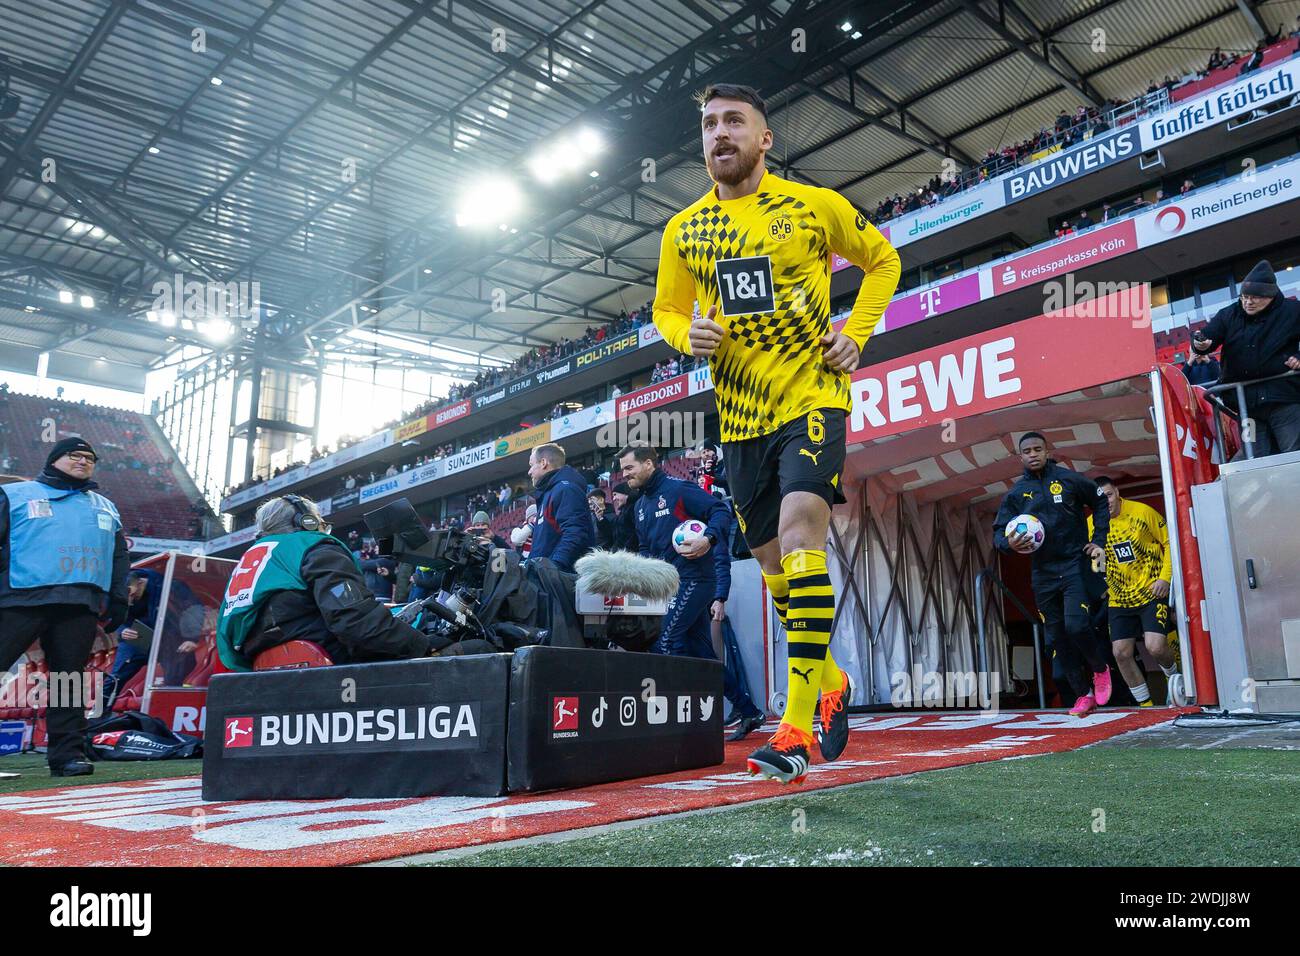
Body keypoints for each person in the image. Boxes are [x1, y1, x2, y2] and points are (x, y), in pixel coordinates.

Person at [653, 83, 901, 782]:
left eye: (734, 121)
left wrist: (857, 332)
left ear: (766, 139)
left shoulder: (814, 206)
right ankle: (831, 684)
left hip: (813, 399)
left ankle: (792, 729)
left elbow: (883, 260)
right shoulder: (684, 232)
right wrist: (687, 334)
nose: (719, 133)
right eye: (708, 124)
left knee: (802, 536)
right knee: (775, 574)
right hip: (739, 421)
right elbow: (666, 311)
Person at [0, 438, 131, 776]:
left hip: (79, 603)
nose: (84, 461)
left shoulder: (105, 506)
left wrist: (118, 596)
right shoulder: (16, 495)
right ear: (55, 459)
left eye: (90, 458)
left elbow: (118, 557)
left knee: (67, 681)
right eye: (75, 455)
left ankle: (66, 755)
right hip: (20, 596)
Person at [619, 445, 765, 741]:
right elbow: (646, 549)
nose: (625, 475)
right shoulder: (640, 507)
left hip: (696, 580)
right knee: (702, 655)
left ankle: (677, 723)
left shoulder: (678, 490)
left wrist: (708, 540)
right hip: (670, 585)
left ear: (648, 464)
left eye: (629, 468)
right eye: (623, 470)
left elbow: (720, 510)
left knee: (667, 644)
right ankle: (749, 711)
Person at [216, 495, 442, 670]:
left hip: (267, 665)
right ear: (307, 521)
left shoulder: (255, 558)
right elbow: (356, 622)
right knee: (467, 649)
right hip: (332, 663)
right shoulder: (310, 546)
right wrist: (422, 644)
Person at [993, 432, 1112, 715]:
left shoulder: (1069, 480)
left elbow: (1098, 501)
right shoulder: (1016, 493)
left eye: (1038, 449)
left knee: (1077, 626)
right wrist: (1007, 544)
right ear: (1019, 457)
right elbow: (998, 532)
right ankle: (1083, 694)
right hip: (1043, 572)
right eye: (1027, 451)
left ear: (1048, 451)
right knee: (1056, 638)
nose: (1033, 454)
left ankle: (1099, 668)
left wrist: (1099, 539)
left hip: (1074, 566)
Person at [1088, 478, 1186, 707]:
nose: (1107, 502)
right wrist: (1099, 583)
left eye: (1109, 495)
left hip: (1151, 591)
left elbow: (1170, 542)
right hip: (1119, 599)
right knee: (1121, 653)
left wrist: (1164, 578)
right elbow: (1094, 561)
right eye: (1100, 500)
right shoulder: (1091, 524)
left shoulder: (1142, 512)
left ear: (1117, 492)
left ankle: (1176, 686)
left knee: (1155, 646)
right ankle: (1146, 706)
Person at [1189, 260, 1300, 457]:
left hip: (1283, 399)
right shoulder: (1229, 314)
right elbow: (1207, 336)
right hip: (1246, 407)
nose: (1248, 302)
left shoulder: (1293, 311)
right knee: (1254, 458)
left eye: (1255, 298)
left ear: (1271, 296)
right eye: (1244, 297)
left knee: (1294, 453)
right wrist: (1200, 344)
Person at [525, 443, 594, 573]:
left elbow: (574, 534)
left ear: (543, 463)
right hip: (546, 580)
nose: (529, 472)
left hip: (560, 581)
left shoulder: (565, 490)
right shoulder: (549, 493)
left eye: (531, 465)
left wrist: (553, 566)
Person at [102, 567, 164, 708]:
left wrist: (190, 637)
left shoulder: (163, 584)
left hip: (163, 639)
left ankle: (167, 715)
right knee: (115, 677)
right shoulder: (116, 591)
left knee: (175, 672)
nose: (130, 599)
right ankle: (99, 712)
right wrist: (122, 631)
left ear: (141, 583)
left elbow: (183, 609)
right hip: (134, 638)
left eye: (131, 593)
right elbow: (112, 617)